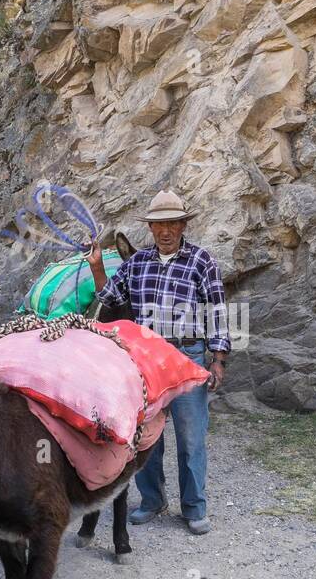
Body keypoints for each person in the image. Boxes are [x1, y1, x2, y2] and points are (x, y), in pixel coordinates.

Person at [86, 189, 229, 535]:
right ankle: (152, 500)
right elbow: (112, 297)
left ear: (183, 225)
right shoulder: (137, 263)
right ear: (150, 228)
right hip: (146, 358)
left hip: (187, 356)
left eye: (173, 224)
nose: (166, 231)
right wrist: (96, 268)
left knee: (191, 436)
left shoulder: (200, 261)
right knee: (146, 435)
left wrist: (218, 358)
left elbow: (218, 310)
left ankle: (194, 507)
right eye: (158, 225)